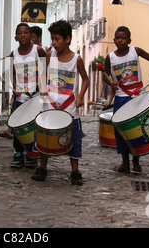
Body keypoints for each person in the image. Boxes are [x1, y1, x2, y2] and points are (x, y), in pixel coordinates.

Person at [31, 20, 89, 185]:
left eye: (57, 39)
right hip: (49, 102)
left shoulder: (76, 59)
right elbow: (43, 74)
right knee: (44, 134)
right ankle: (42, 167)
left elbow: (85, 80)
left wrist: (80, 97)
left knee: (74, 137)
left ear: (67, 39)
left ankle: (75, 171)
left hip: (69, 105)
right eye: (52, 39)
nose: (53, 43)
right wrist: (43, 87)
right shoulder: (50, 56)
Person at [103, 26, 149, 174]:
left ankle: (136, 162)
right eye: (117, 38)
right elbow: (104, 74)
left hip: (138, 96)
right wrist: (111, 84)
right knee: (121, 130)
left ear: (129, 40)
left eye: (123, 38)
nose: (120, 41)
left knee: (137, 129)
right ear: (114, 39)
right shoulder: (111, 57)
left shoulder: (136, 51)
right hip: (121, 98)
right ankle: (125, 163)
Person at [10, 23, 47, 168]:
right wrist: (15, 88)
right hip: (22, 95)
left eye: (26, 32)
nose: (23, 35)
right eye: (20, 33)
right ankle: (18, 153)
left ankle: (32, 153)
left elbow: (46, 69)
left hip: (37, 93)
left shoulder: (38, 51)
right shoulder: (14, 53)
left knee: (35, 124)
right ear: (16, 37)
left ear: (31, 35)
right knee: (19, 124)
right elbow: (13, 73)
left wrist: (43, 89)